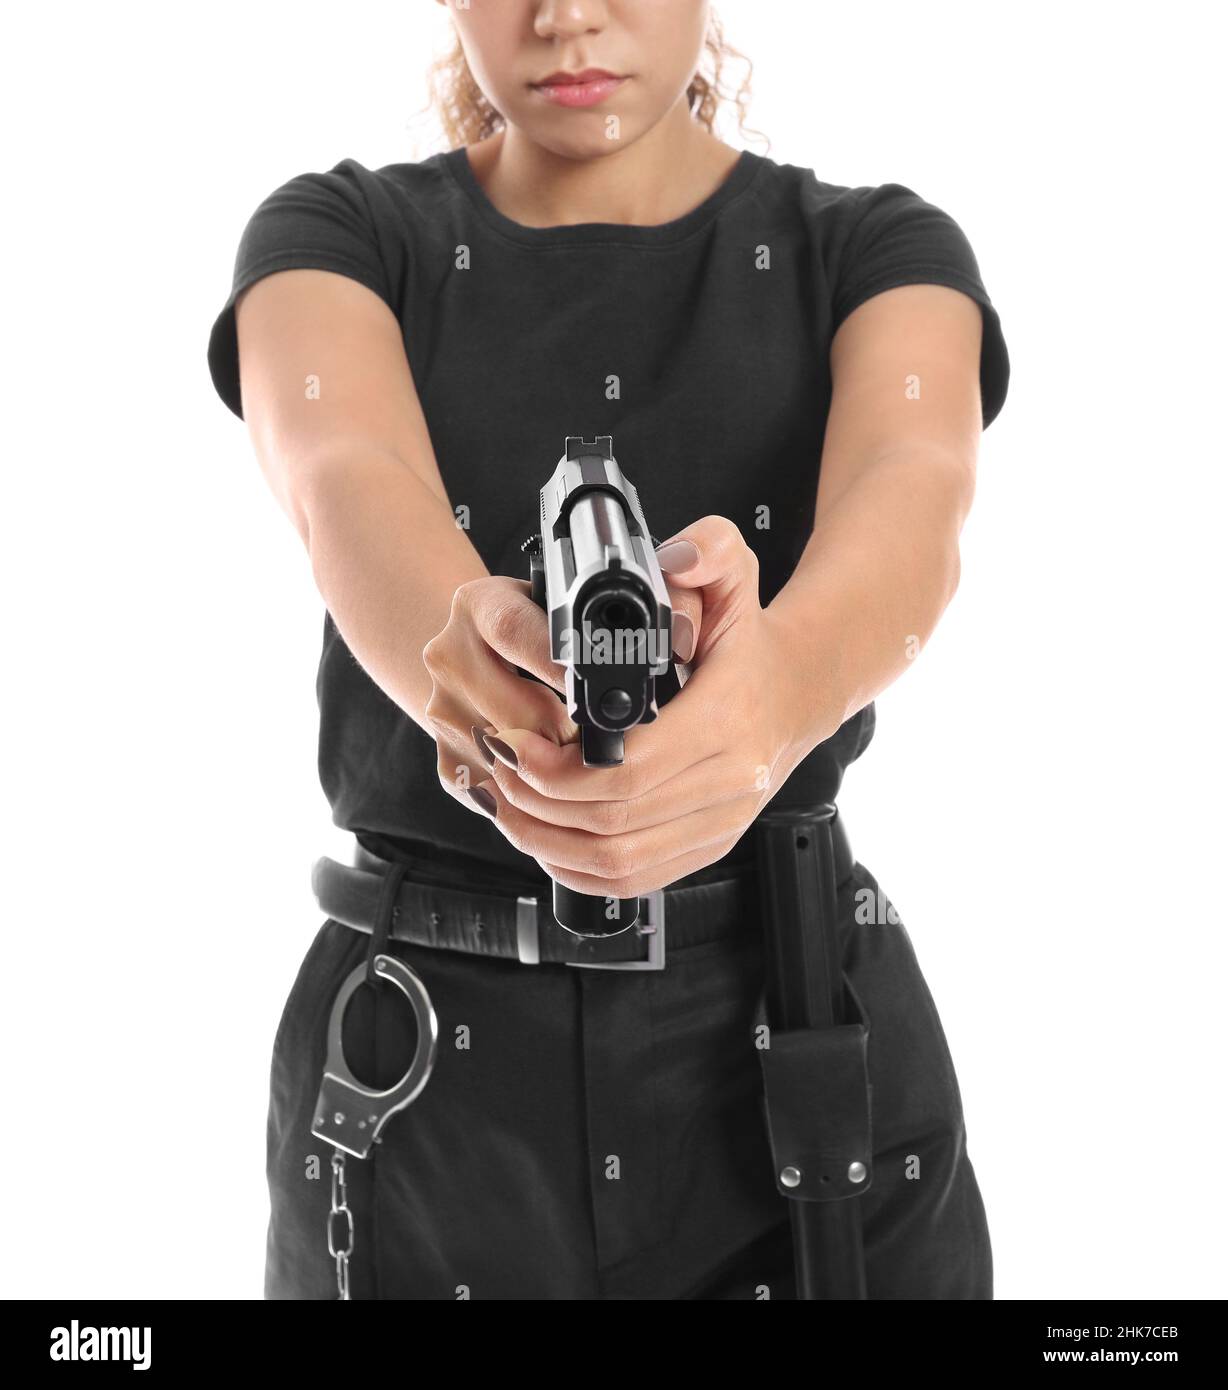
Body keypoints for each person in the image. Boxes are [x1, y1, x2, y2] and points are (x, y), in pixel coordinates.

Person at [207, 0, 1009, 1300]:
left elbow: (916, 502)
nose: (566, 13)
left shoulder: (882, 253)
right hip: (417, 1086)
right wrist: (453, 663)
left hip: (798, 1050)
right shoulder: (330, 240)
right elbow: (340, 475)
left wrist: (776, 697)